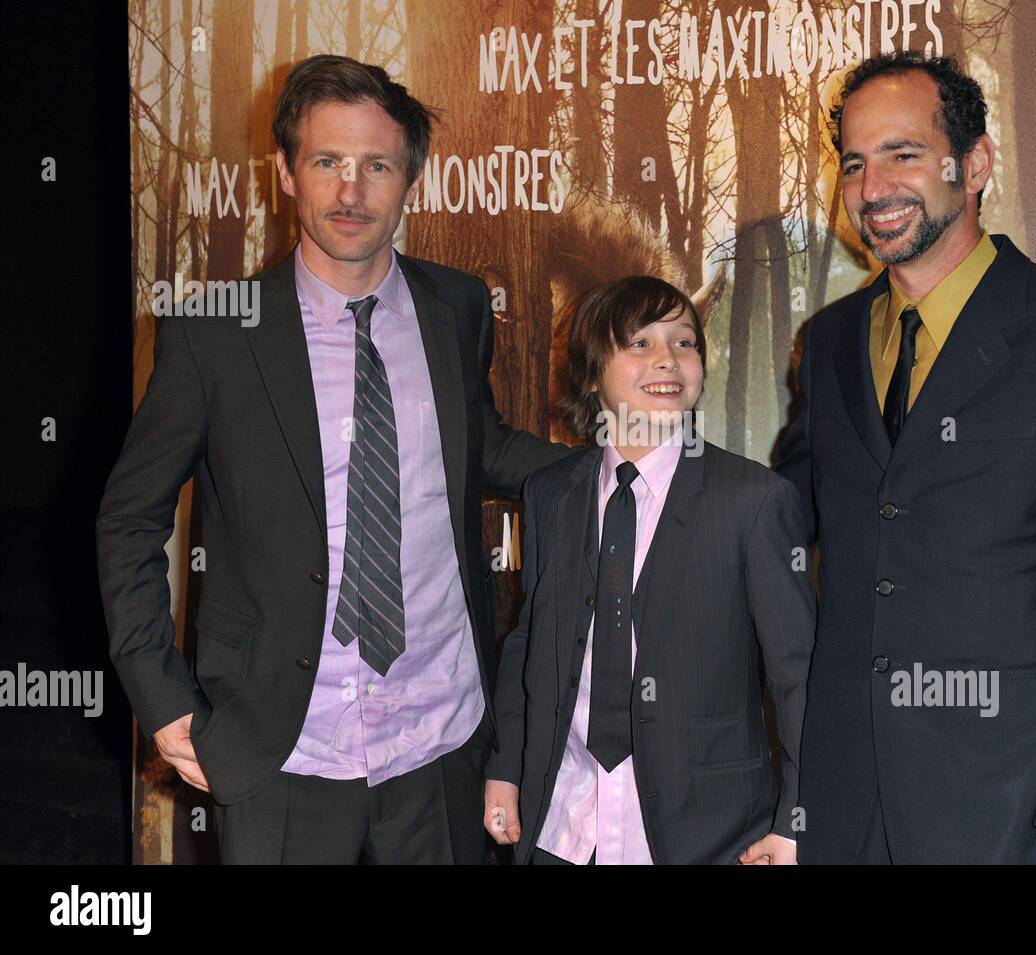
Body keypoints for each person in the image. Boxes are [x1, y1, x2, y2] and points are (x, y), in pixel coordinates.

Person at [97, 54, 574, 863]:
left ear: (408, 179)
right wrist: (162, 697)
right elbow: (128, 520)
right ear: (286, 171)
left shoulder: (455, 307)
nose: (351, 192)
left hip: (443, 739)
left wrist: (612, 468)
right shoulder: (214, 334)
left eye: (376, 165)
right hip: (282, 749)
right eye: (328, 162)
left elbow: (477, 443)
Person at [776, 51, 1036, 864]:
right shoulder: (828, 344)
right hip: (843, 805)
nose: (873, 184)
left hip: (1007, 812)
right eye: (854, 162)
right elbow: (778, 532)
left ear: (977, 162)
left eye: (904, 153)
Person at [484, 276, 814, 864]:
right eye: (639, 343)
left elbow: (798, 679)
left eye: (684, 343)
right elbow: (529, 643)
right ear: (592, 373)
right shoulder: (553, 494)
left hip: (708, 835)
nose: (667, 359)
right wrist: (507, 767)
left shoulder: (754, 501)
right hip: (562, 823)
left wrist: (796, 822)